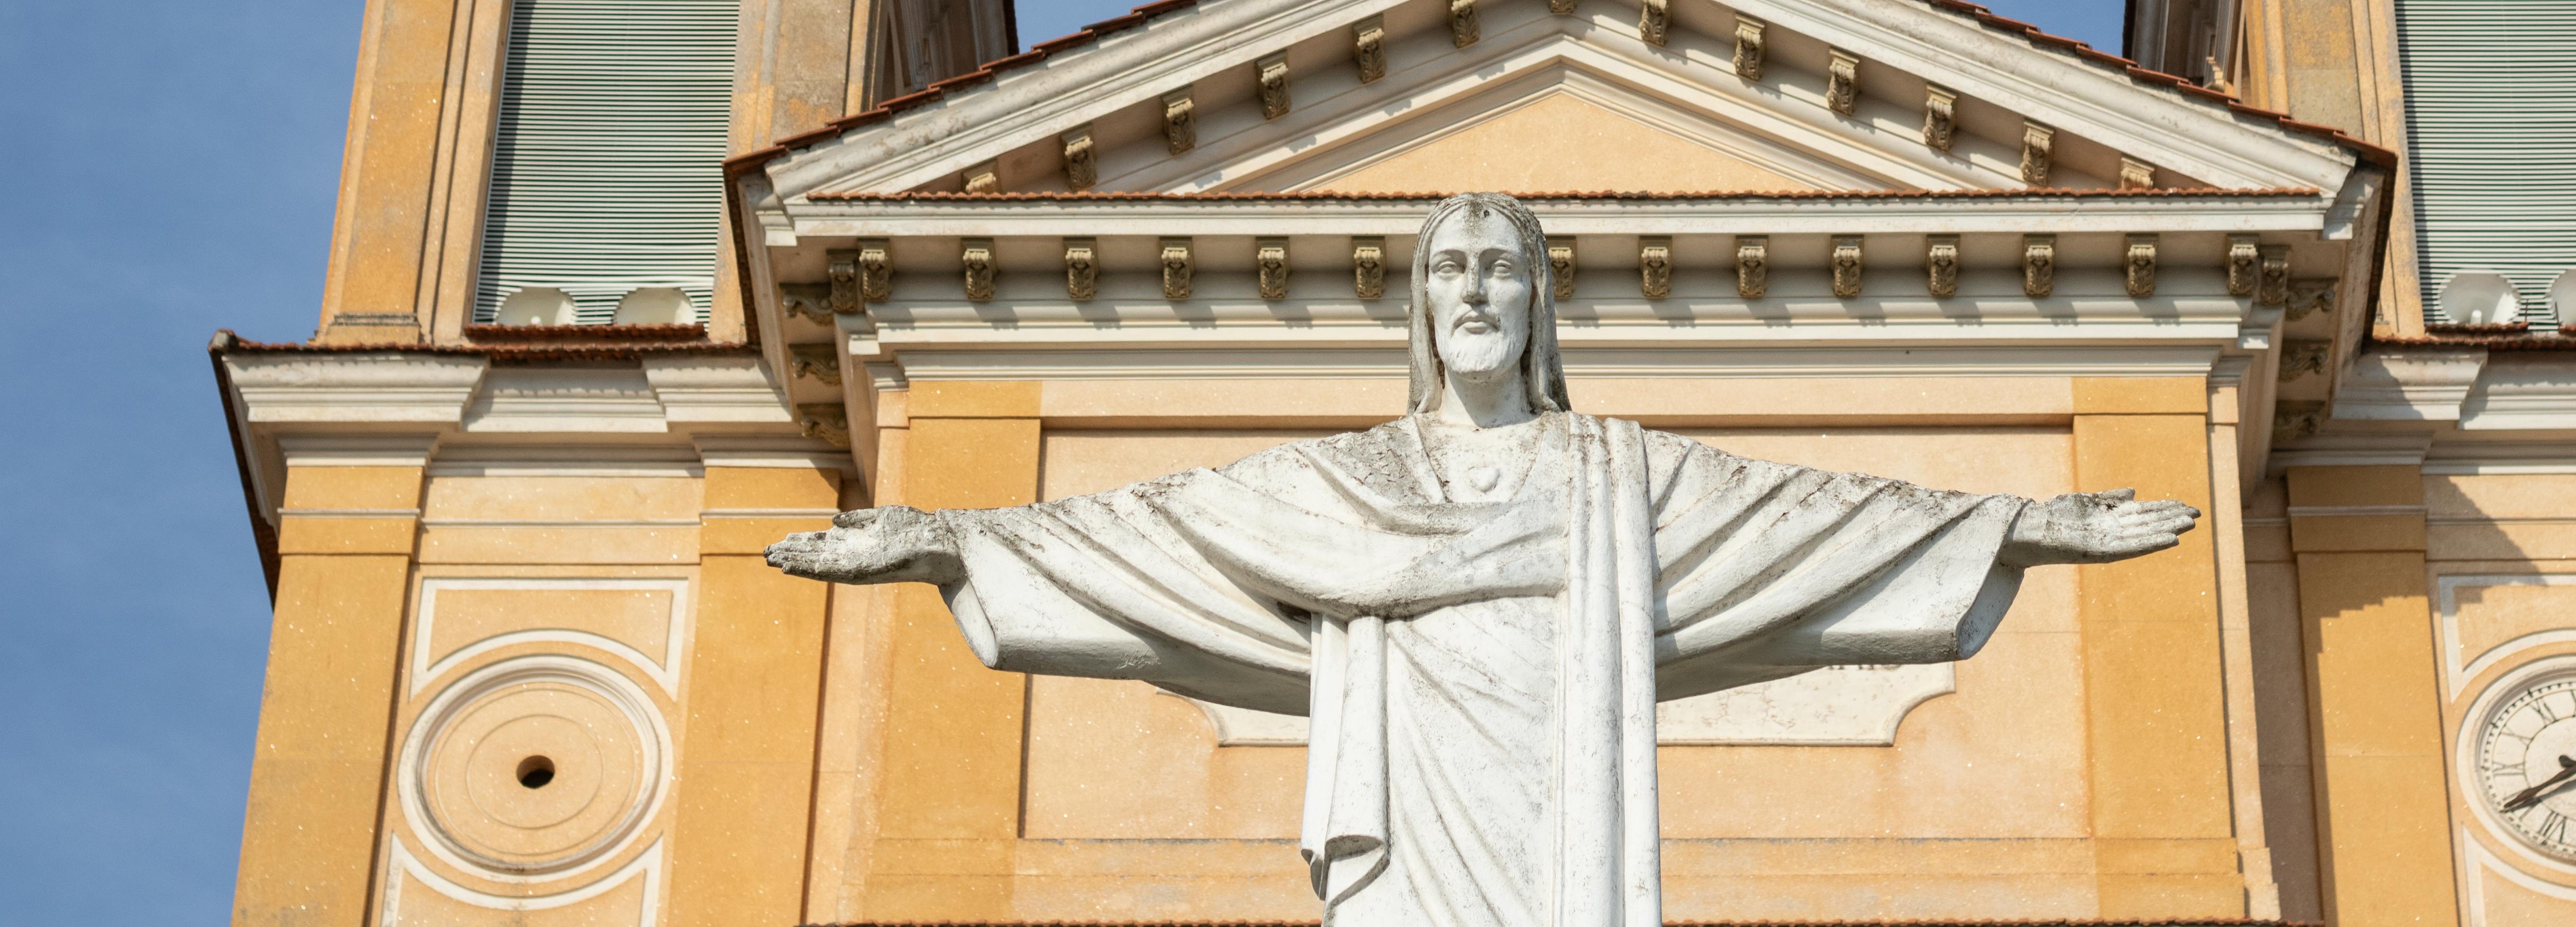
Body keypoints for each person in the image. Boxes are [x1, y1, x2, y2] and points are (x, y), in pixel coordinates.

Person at [771, 191, 2197, 927]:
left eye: (1501, 268)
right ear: (1418, 305)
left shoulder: (1618, 476)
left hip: (1562, 818)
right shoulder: (1347, 481)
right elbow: (1155, 536)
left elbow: (1811, 524)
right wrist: (947, 539)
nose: (1474, 291)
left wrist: (2027, 524)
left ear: (1536, 304)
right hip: (1411, 831)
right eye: (1449, 269)